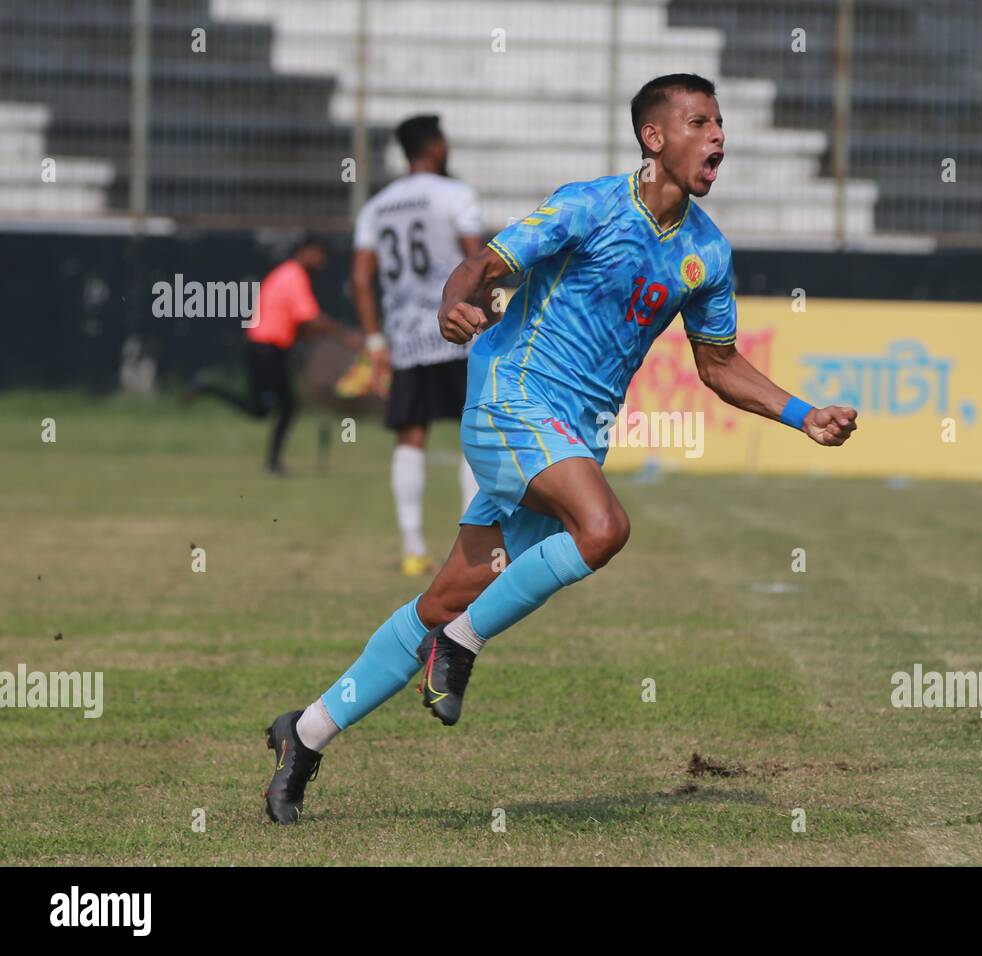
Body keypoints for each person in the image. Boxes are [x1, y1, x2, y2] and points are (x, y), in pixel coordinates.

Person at [262, 74, 858, 824]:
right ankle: (464, 645)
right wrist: (456, 300)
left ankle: (305, 735)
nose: (718, 137)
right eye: (700, 122)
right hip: (510, 403)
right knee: (603, 529)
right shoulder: (588, 206)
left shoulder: (706, 252)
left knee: (442, 599)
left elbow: (719, 365)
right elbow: (485, 263)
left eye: (721, 124)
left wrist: (803, 416)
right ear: (654, 137)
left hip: (567, 443)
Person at [352, 115, 485, 577]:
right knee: (474, 432)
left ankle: (412, 548)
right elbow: (479, 259)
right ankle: (469, 548)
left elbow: (360, 277)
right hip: (457, 329)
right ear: (434, 145)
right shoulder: (455, 194)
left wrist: (374, 338)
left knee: (410, 435)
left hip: (406, 336)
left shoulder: (377, 206)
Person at [187, 238, 361, 474]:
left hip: (270, 348)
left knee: (276, 407)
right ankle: (209, 389)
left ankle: (272, 462)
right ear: (304, 251)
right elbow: (312, 318)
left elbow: (298, 321)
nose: (322, 262)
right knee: (267, 408)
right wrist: (345, 336)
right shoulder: (293, 276)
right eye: (319, 255)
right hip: (265, 348)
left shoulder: (289, 275)